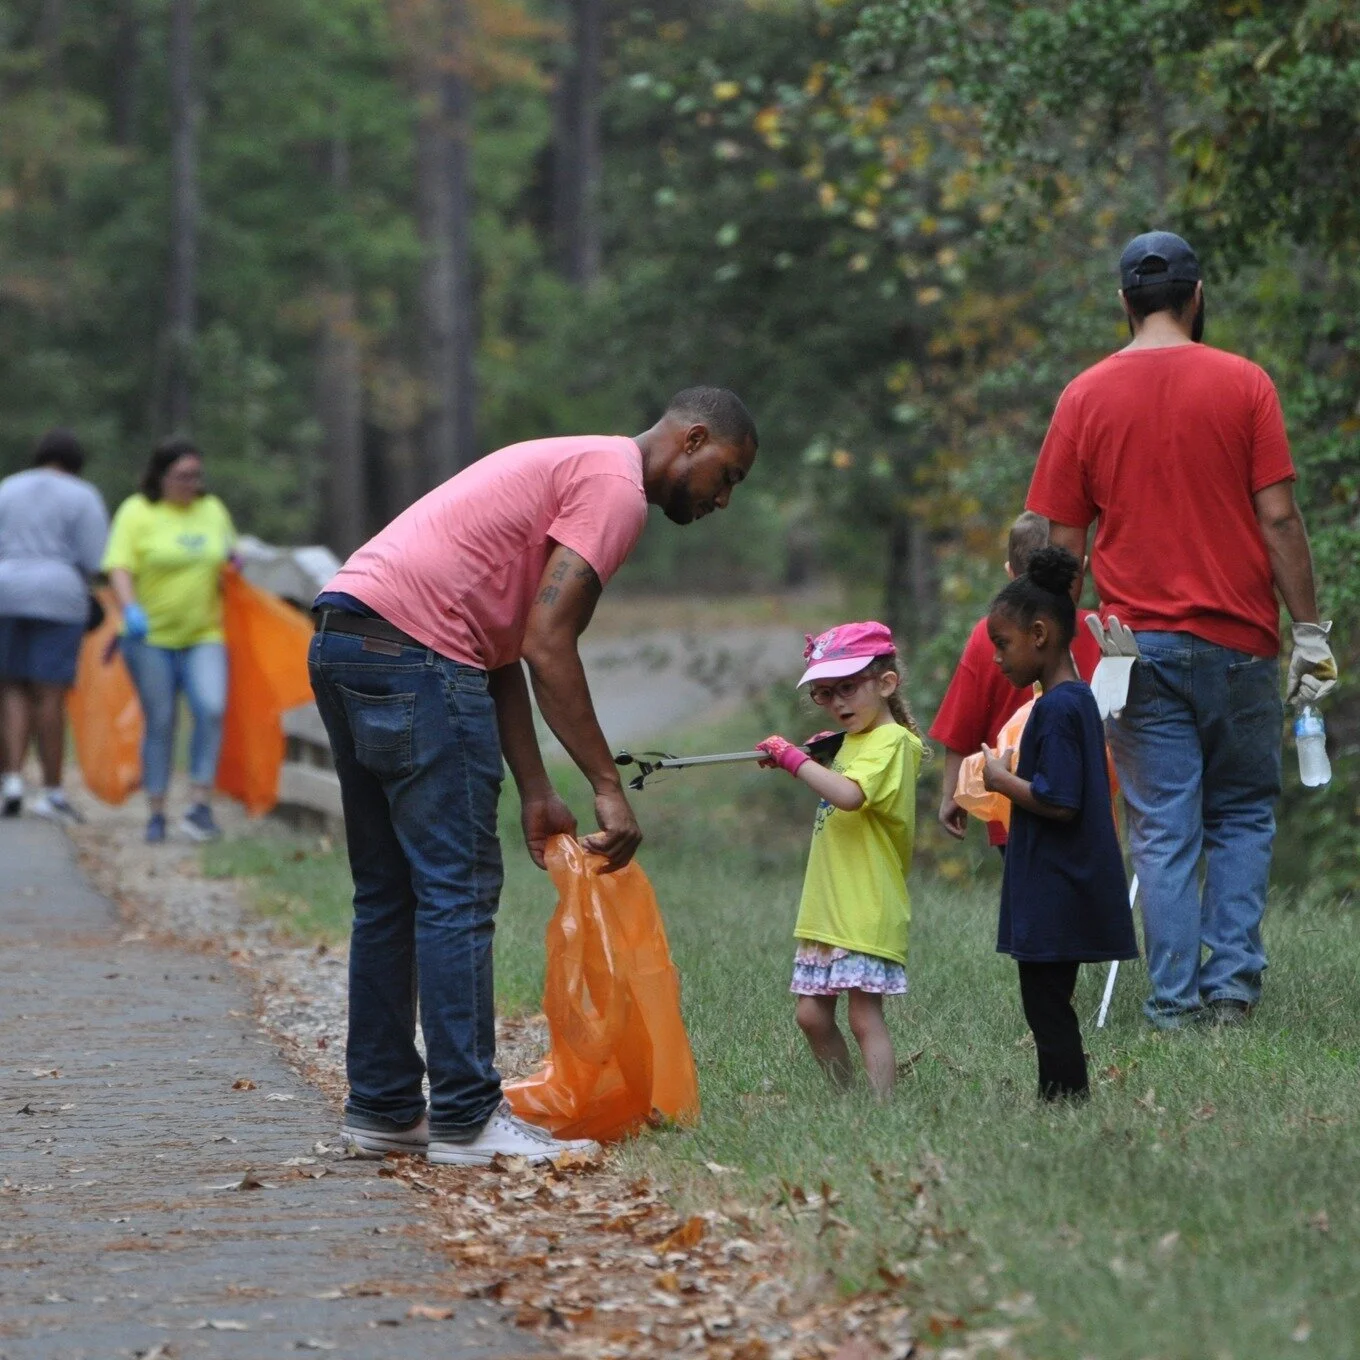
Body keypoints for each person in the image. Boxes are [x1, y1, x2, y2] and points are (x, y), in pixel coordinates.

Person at [310, 387, 758, 1166]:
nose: (723, 498)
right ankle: (466, 1118)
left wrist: (536, 786)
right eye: (729, 474)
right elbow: (550, 645)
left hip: (347, 633)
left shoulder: (578, 462)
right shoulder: (617, 492)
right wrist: (607, 788)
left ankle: (383, 1108)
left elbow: (504, 647)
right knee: (458, 887)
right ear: (691, 439)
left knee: (389, 890)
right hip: (417, 652)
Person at [1027, 230, 1337, 1030]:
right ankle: (1230, 992)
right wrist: (1309, 632)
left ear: (1123, 304)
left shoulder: (1084, 396)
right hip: (1240, 642)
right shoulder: (1245, 385)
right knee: (1240, 813)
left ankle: (1172, 1003)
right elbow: (1279, 517)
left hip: (1134, 648)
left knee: (1163, 826)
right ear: (1197, 298)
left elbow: (1062, 547)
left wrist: (1060, 652)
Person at [980, 548, 1138, 1100]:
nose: (996, 658)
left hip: (1059, 886)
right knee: (1047, 1001)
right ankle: (1061, 1095)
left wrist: (1000, 779)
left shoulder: (1060, 708)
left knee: (1045, 1004)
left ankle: (1065, 1099)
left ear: (1040, 634)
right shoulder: (1069, 704)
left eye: (1003, 644)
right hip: (1058, 883)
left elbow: (1060, 801)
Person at [754, 622, 926, 1099]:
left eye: (848, 688)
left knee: (863, 1015)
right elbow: (843, 776)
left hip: (866, 904)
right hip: (828, 909)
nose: (838, 702)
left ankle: (881, 1110)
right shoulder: (856, 740)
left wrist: (797, 761)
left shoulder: (893, 743)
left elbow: (850, 796)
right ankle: (847, 1101)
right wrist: (818, 756)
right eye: (826, 694)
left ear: (887, 683)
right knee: (810, 1016)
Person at [933, 511, 1102, 852]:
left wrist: (951, 793)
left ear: (1010, 574)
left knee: (1028, 894)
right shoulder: (1099, 632)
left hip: (1012, 805)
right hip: (1084, 804)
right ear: (1079, 569)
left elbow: (961, 727)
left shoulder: (988, 636)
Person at [104, 438, 236, 845]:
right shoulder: (137, 511)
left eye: (196, 476)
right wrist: (130, 609)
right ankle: (157, 809)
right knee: (160, 720)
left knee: (211, 709)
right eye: (181, 476)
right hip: (150, 638)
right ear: (161, 476)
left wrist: (236, 563)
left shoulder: (211, 510)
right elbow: (119, 566)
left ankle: (199, 804)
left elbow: (229, 554)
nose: (190, 484)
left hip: (203, 633)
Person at [0, 429, 109, 822]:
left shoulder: (8, 487)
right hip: (59, 596)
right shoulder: (82, 495)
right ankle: (51, 791)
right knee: (49, 693)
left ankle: (11, 780)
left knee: (11, 685)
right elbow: (96, 557)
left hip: (6, 589)